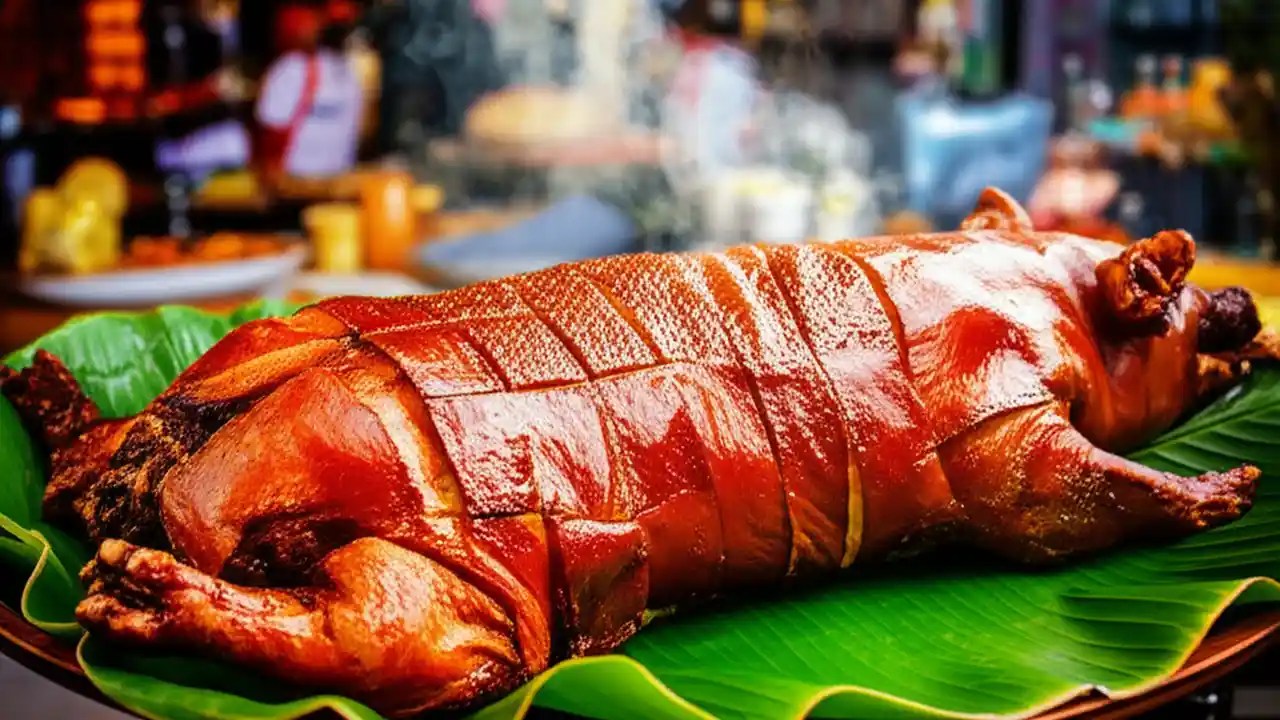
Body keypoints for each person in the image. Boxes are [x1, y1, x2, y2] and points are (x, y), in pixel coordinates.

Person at [254, 4, 364, 182]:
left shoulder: (349, 72)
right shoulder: (293, 68)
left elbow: (269, 128)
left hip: (323, 183)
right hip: (300, 183)